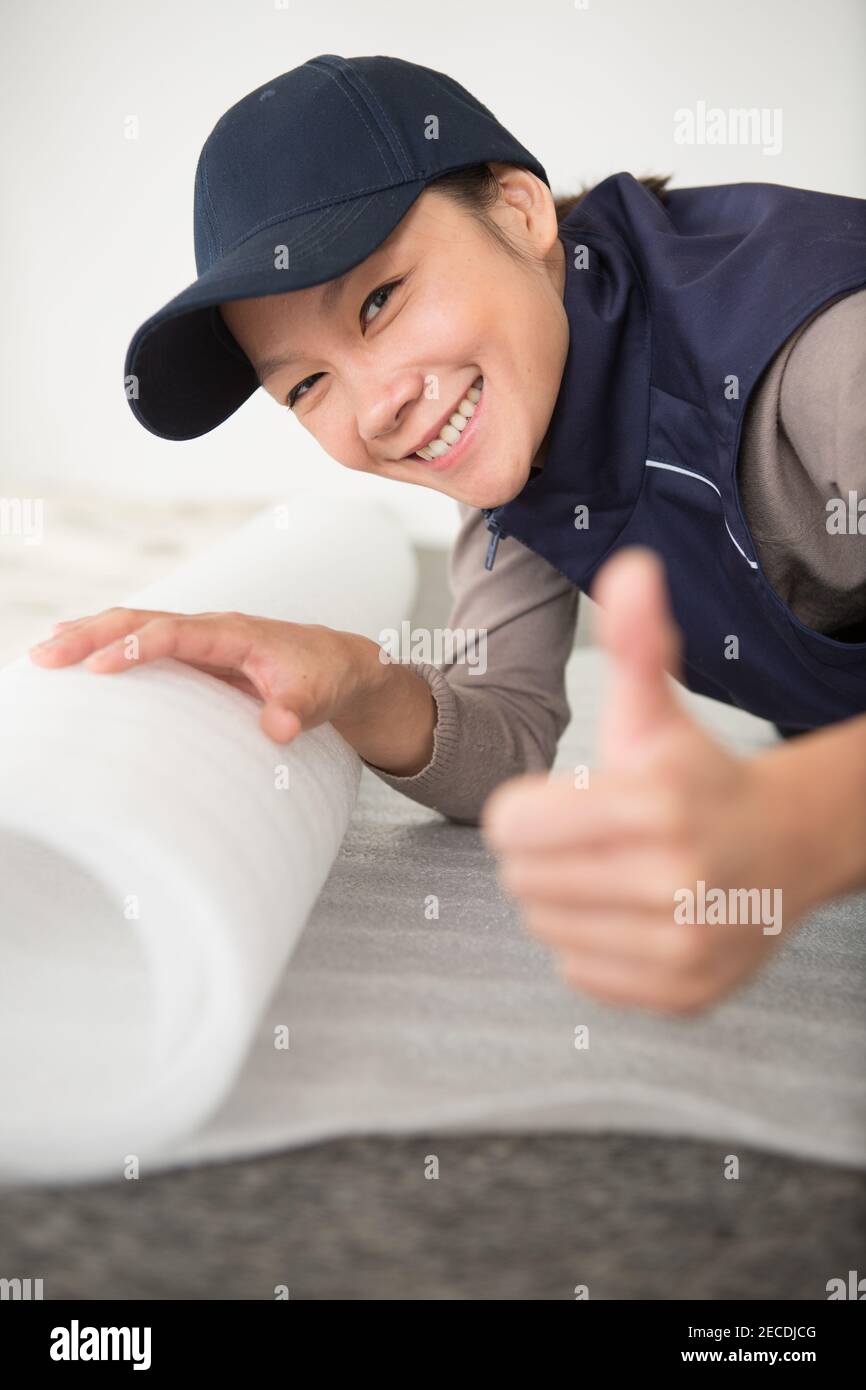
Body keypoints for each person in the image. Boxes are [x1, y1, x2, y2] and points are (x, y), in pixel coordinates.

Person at [29, 55, 866, 1014]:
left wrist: (792, 824)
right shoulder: (518, 431)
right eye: (306, 385)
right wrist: (358, 681)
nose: (377, 407)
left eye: (380, 300)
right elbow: (507, 748)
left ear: (519, 212)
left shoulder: (831, 358)